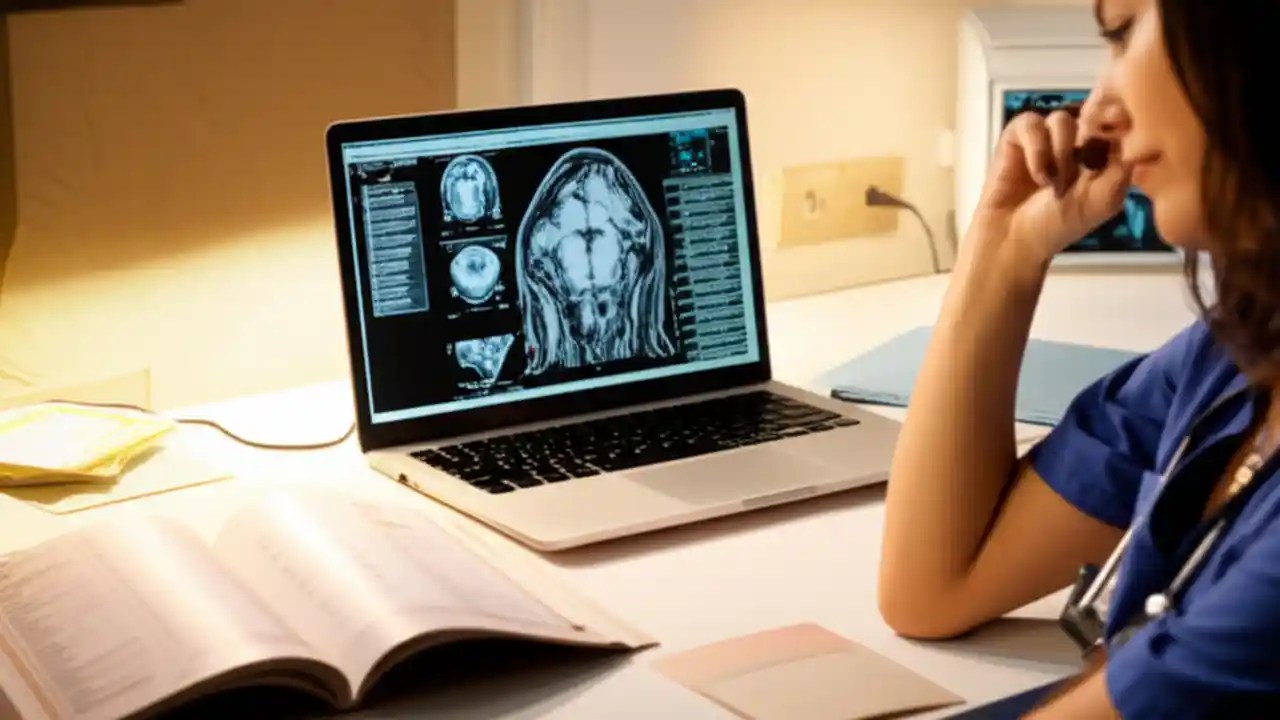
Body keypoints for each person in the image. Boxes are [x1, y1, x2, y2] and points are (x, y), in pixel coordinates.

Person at [877, 1, 1280, 718]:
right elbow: (933, 586)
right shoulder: (1231, 356)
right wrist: (1004, 250)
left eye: (1124, 33)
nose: (1095, 112)